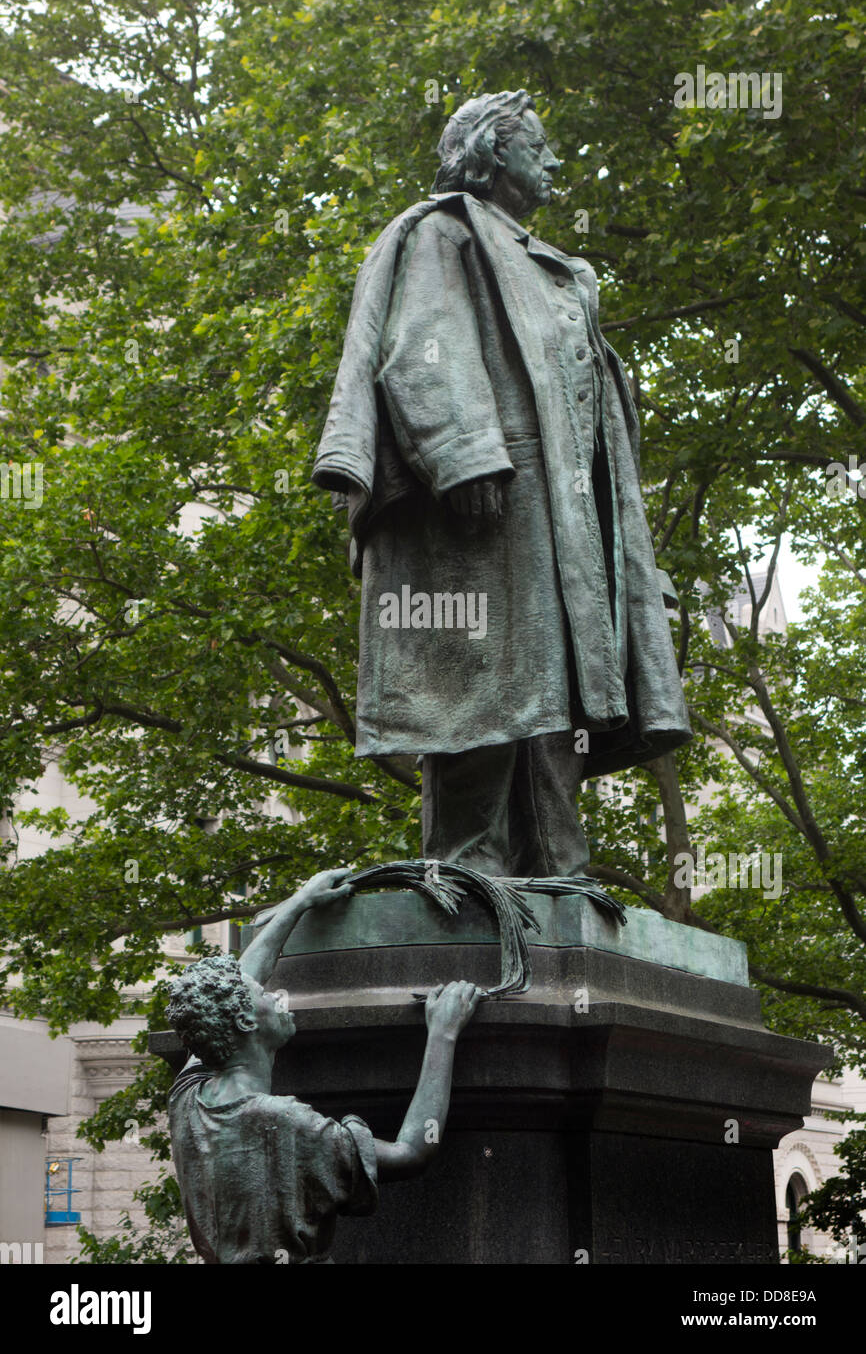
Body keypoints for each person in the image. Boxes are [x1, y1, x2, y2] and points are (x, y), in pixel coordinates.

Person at [314, 89, 691, 877]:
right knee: (478, 679)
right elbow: (420, 345)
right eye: (539, 144)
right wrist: (462, 455)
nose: (555, 160)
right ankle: (468, 869)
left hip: (563, 515)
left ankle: (555, 864)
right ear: (491, 152)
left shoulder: (555, 269)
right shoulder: (443, 232)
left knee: (553, 688)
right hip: (488, 499)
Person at [166, 867, 481, 1264]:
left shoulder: (187, 1100)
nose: (274, 993)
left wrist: (300, 902)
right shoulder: (286, 1122)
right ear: (245, 1021)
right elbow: (412, 1152)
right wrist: (443, 1034)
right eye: (263, 994)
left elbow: (242, 978)